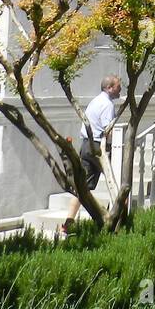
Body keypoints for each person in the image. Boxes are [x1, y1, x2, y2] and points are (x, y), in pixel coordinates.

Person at [59, 75, 121, 237]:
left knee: (83, 187)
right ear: (109, 88)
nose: (120, 89)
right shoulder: (107, 104)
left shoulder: (95, 101)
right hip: (98, 147)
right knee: (115, 182)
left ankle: (67, 224)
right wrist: (120, 145)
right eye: (118, 86)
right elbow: (109, 131)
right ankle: (118, 222)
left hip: (85, 145)